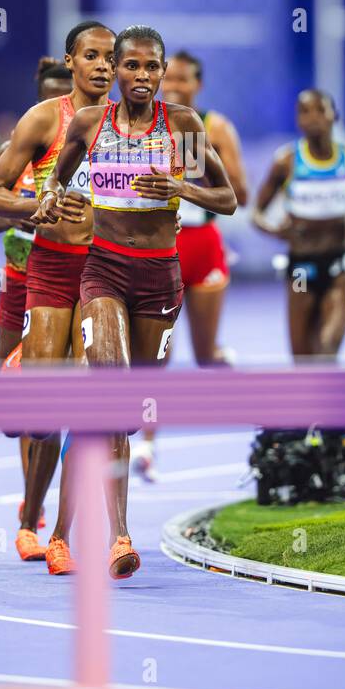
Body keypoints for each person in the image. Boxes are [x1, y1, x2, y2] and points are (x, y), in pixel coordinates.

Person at [34, 25, 237, 578]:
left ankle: (64, 531)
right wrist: (53, 199)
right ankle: (119, 536)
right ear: (117, 71)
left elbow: (227, 199)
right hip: (103, 271)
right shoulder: (88, 122)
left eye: (153, 68)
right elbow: (58, 174)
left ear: (162, 72)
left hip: (160, 279)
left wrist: (181, 188)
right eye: (132, 67)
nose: (142, 78)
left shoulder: (183, 126)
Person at [0, 21, 115, 566]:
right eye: (92, 56)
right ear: (71, 61)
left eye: (111, 57)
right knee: (42, 413)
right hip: (52, 268)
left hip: (106, 273)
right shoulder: (43, 119)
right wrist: (32, 208)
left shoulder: (136, 125)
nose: (103, 66)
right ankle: (28, 517)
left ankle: (61, 536)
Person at [120, 49, 249, 482]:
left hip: (204, 246)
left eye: (183, 81)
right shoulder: (141, 121)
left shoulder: (213, 126)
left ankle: (240, 383)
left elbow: (238, 194)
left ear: (198, 85)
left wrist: (199, 163)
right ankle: (148, 446)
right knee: (159, 353)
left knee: (206, 355)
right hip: (162, 245)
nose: (173, 87)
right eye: (167, 79)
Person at [0, 58, 72, 523]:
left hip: (71, 278)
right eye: (47, 94)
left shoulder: (93, 143)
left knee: (58, 399)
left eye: (61, 95)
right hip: (18, 280)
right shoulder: (19, 148)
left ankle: (39, 515)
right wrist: (20, 211)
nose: (54, 102)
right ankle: (33, 502)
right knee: (22, 414)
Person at [252, 88, 345, 358]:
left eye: (320, 110)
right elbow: (256, 213)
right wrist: (274, 231)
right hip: (301, 269)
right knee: (302, 359)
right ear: (298, 120)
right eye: (304, 111)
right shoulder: (286, 162)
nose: (312, 117)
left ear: (333, 116)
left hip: (340, 267)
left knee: (326, 350)